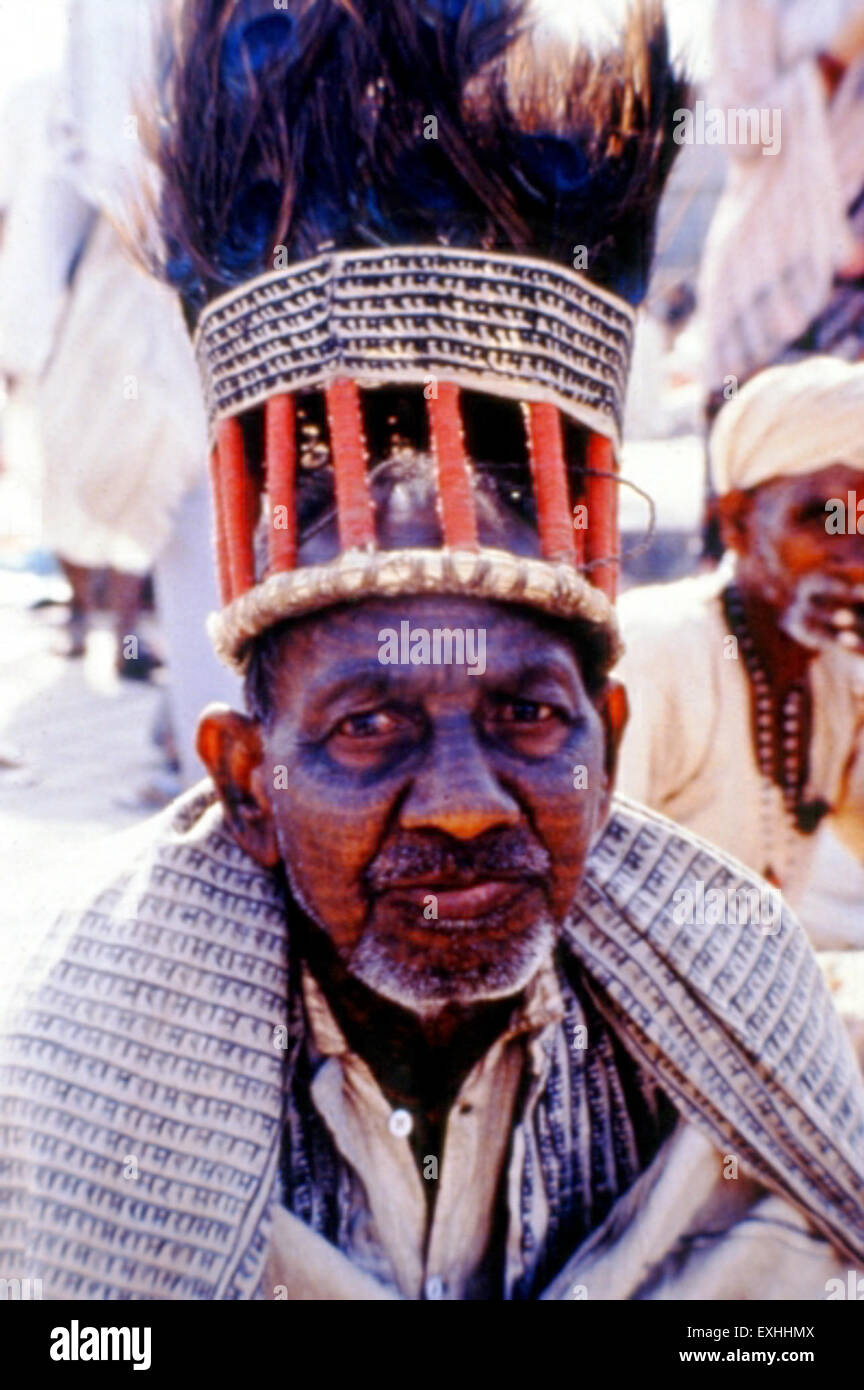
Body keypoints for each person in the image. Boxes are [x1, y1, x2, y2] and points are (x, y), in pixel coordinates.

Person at [1, 0, 862, 1302]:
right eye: (367, 726)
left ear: (612, 736)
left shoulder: (742, 1002)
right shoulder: (80, 1052)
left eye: (527, 718)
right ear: (243, 779)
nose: (466, 805)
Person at [616, 357, 864, 945]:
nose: (853, 556)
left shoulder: (835, 675)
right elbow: (583, 901)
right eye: (820, 519)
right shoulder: (654, 649)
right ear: (733, 524)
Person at [698, 0, 864, 414]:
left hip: (855, 279)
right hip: (778, 281)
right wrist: (835, 59)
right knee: (770, 461)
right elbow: (743, 135)